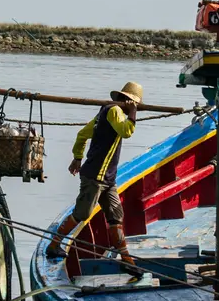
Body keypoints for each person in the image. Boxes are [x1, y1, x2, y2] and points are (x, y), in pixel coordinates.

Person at [44, 81, 144, 272]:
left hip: (108, 178)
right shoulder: (114, 112)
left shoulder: (106, 113)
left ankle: (126, 259)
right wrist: (133, 113)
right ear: (130, 101)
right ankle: (54, 244)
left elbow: (82, 134)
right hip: (95, 176)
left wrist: (77, 157)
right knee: (82, 213)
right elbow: (127, 131)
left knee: (115, 216)